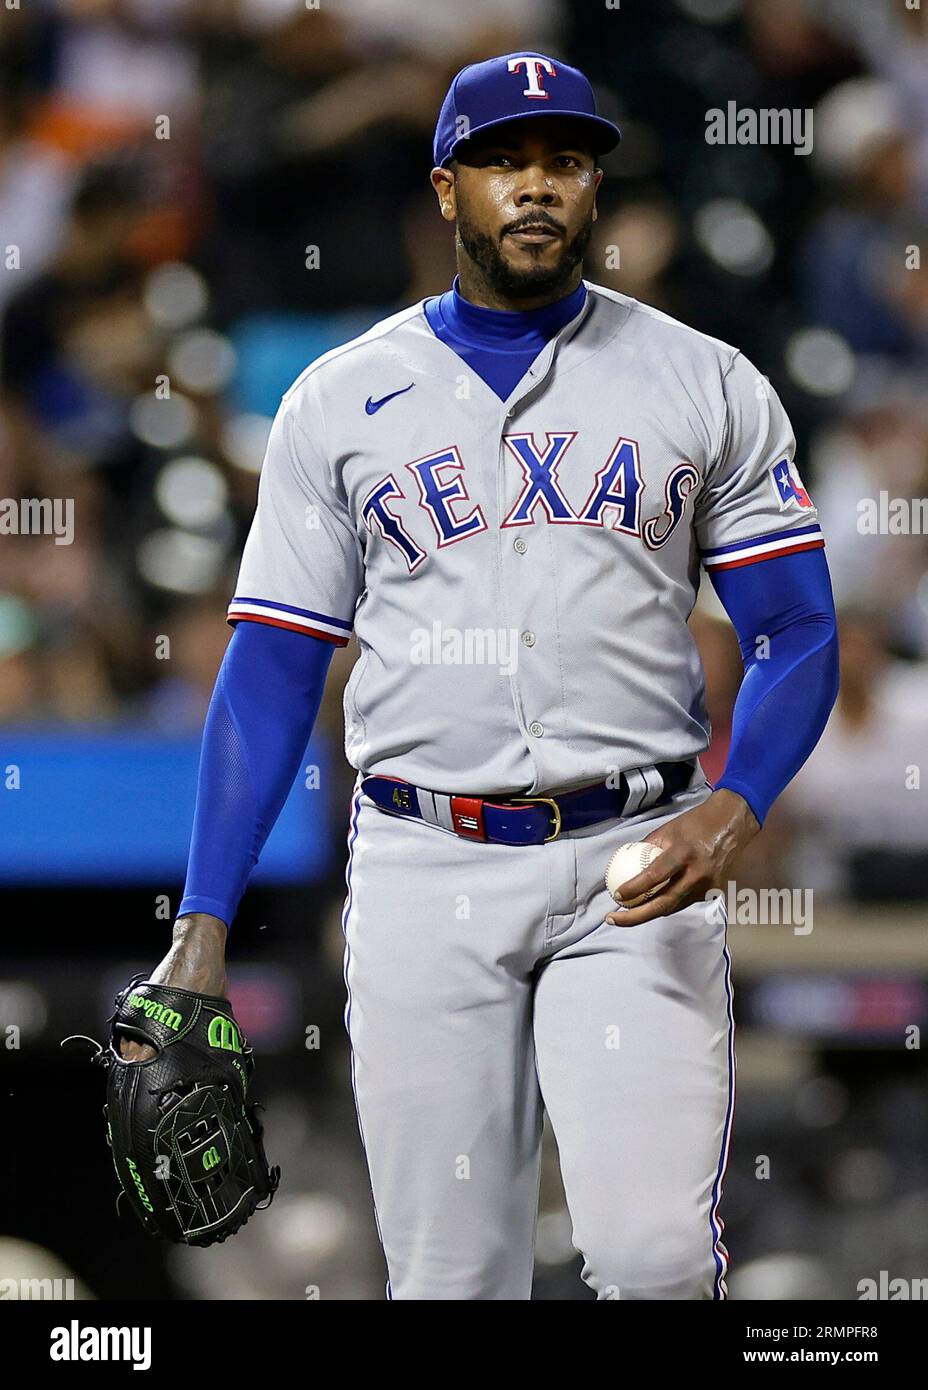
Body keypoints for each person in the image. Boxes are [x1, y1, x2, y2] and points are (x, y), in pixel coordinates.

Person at [122, 52, 839, 1300]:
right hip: (422, 864)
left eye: (564, 160)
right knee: (453, 1279)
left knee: (657, 1259)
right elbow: (271, 672)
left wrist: (741, 798)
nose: (537, 186)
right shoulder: (339, 401)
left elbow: (798, 629)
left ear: (595, 190)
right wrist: (200, 928)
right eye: (506, 160)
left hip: (639, 859)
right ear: (447, 188)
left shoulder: (703, 380)